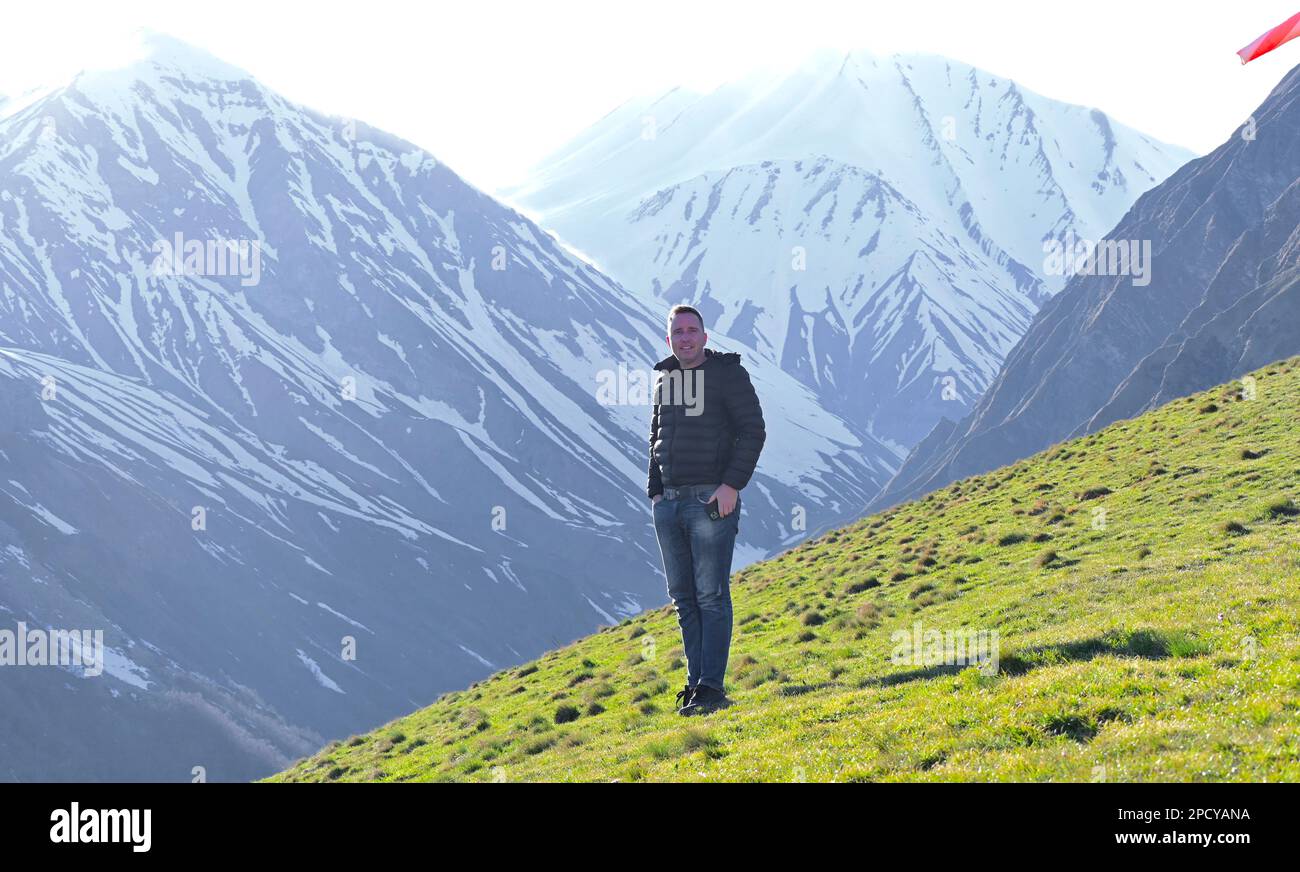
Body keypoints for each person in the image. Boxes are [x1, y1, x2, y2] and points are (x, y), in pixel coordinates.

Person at [648, 304, 765, 716]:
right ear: (669, 339)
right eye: (677, 331)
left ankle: (711, 688)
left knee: (711, 596)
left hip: (710, 501)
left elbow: (754, 430)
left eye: (691, 330)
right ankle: (696, 683)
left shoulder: (727, 375)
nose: (685, 337)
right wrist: (656, 493)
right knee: (684, 598)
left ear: (705, 336)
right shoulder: (666, 379)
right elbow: (656, 437)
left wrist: (732, 484)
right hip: (671, 504)